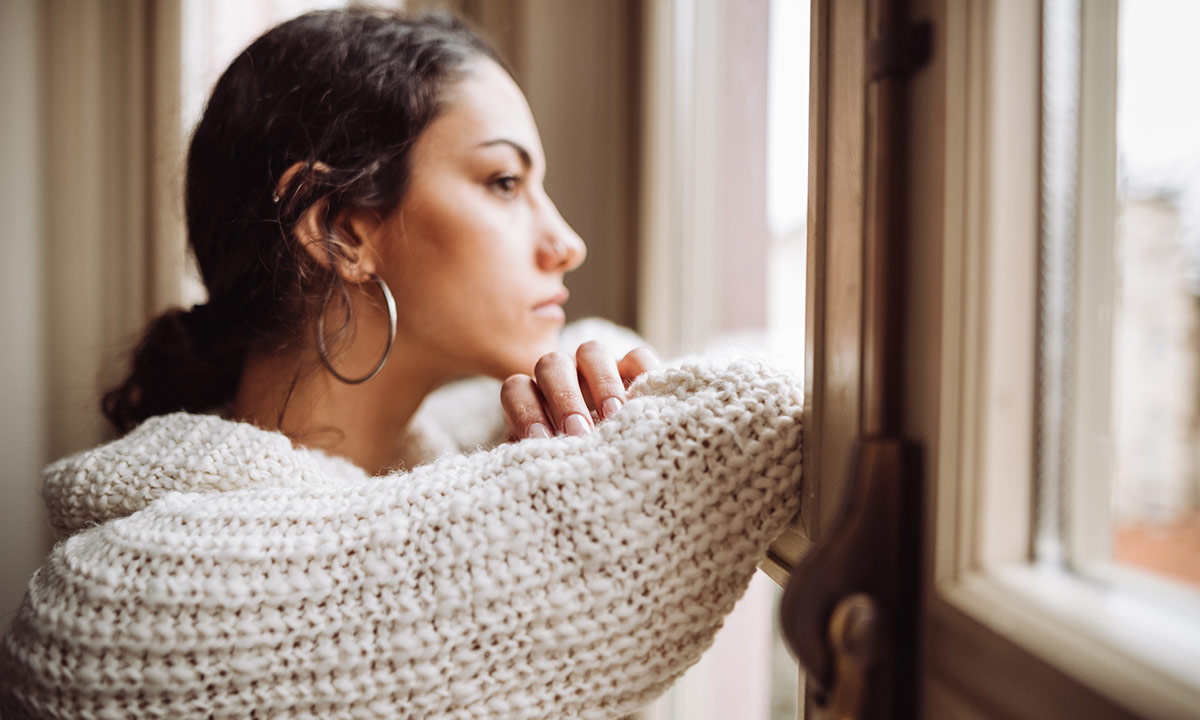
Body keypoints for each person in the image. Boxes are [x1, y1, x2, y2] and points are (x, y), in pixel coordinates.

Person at [0, 9, 805, 719]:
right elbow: (748, 415)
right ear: (342, 231)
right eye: (502, 181)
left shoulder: (440, 466)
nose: (566, 241)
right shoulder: (126, 603)